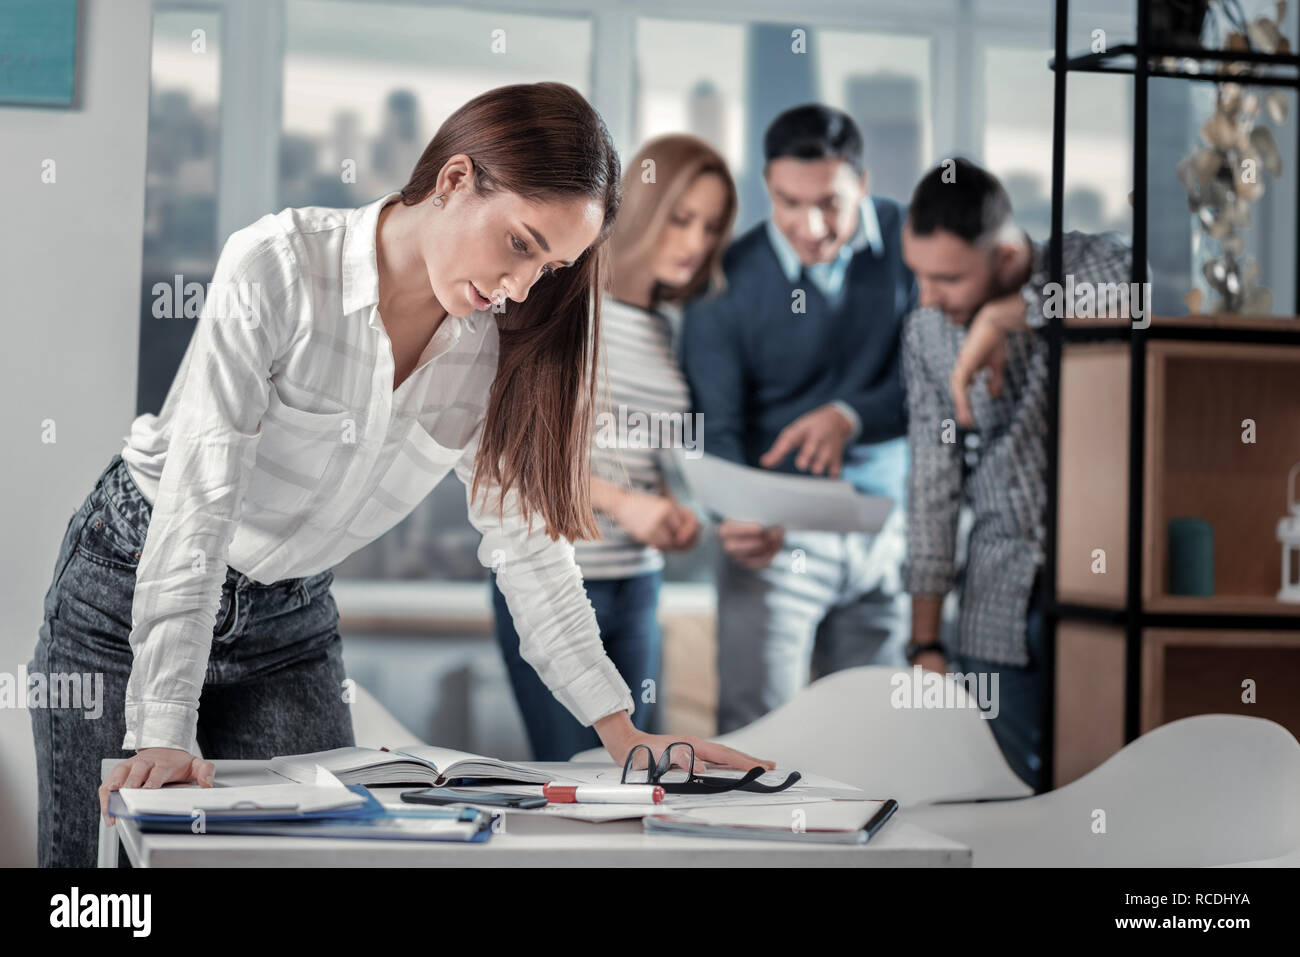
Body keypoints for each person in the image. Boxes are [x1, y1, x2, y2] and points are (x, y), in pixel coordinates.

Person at [28, 82, 770, 868]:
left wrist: (619, 731)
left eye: (550, 268)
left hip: (290, 614)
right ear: (454, 180)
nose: (522, 288)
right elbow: (201, 501)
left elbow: (528, 548)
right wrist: (162, 727)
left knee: (322, 858)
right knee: (93, 878)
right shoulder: (279, 267)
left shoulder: (492, 350)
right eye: (521, 244)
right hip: (132, 576)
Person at [491, 134, 736, 761]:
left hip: (638, 582)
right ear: (646, 209)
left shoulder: (668, 327)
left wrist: (672, 516)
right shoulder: (565, 304)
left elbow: (649, 461)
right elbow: (507, 454)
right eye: (681, 219)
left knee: (633, 780)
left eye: (710, 227)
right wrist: (625, 504)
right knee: (576, 782)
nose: (694, 242)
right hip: (557, 580)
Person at [900, 157, 1132, 791]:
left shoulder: (1086, 265)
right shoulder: (926, 333)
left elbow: (1138, 292)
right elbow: (931, 483)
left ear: (1004, 257)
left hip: (1106, 587)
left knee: (1107, 788)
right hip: (996, 603)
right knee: (1002, 800)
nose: (926, 296)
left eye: (946, 278)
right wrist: (925, 645)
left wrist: (1007, 316)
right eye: (917, 274)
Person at [682, 105, 916, 734]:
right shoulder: (726, 283)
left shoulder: (911, 243)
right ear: (766, 186)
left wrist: (851, 416)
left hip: (885, 532)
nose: (809, 226)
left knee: (874, 737)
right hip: (776, 542)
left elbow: (939, 382)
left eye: (831, 203)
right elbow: (718, 428)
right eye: (788, 202)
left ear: (863, 184)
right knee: (758, 735)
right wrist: (732, 517)